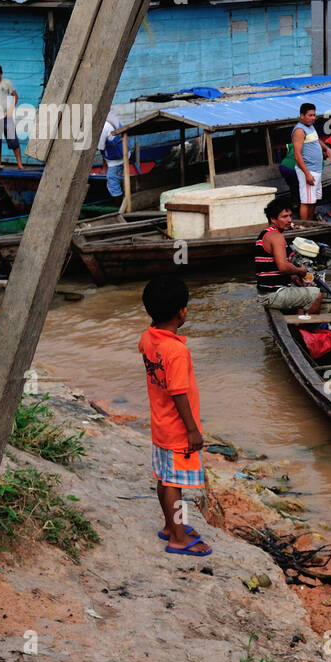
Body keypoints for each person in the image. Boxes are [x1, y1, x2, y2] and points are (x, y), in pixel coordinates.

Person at [139, 275, 211, 556]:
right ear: (182, 312)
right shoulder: (177, 351)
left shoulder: (148, 338)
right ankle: (179, 537)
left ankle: (171, 527)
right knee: (175, 485)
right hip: (178, 430)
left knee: (165, 479)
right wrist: (193, 430)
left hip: (160, 425)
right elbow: (178, 392)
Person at [255, 197, 322, 313]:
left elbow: (274, 267)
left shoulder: (265, 234)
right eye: (284, 217)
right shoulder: (276, 237)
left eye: (290, 216)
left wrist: (294, 276)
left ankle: (299, 319)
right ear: (273, 219)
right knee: (316, 295)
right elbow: (283, 266)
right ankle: (308, 326)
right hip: (273, 295)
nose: (289, 220)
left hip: (267, 292)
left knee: (306, 288)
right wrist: (300, 271)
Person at [291, 102, 328, 222]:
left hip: (316, 169)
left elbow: (316, 140)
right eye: (310, 115)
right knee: (306, 201)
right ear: (302, 115)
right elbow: (297, 154)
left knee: (313, 200)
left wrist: (326, 149)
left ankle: (311, 223)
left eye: (314, 115)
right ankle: (304, 226)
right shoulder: (299, 131)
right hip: (308, 170)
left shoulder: (310, 127)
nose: (313, 118)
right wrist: (307, 173)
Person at [96, 111, 125, 205]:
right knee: (113, 179)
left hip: (117, 160)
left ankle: (119, 207)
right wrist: (104, 168)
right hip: (119, 154)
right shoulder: (109, 116)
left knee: (113, 182)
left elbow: (100, 147)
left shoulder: (103, 127)